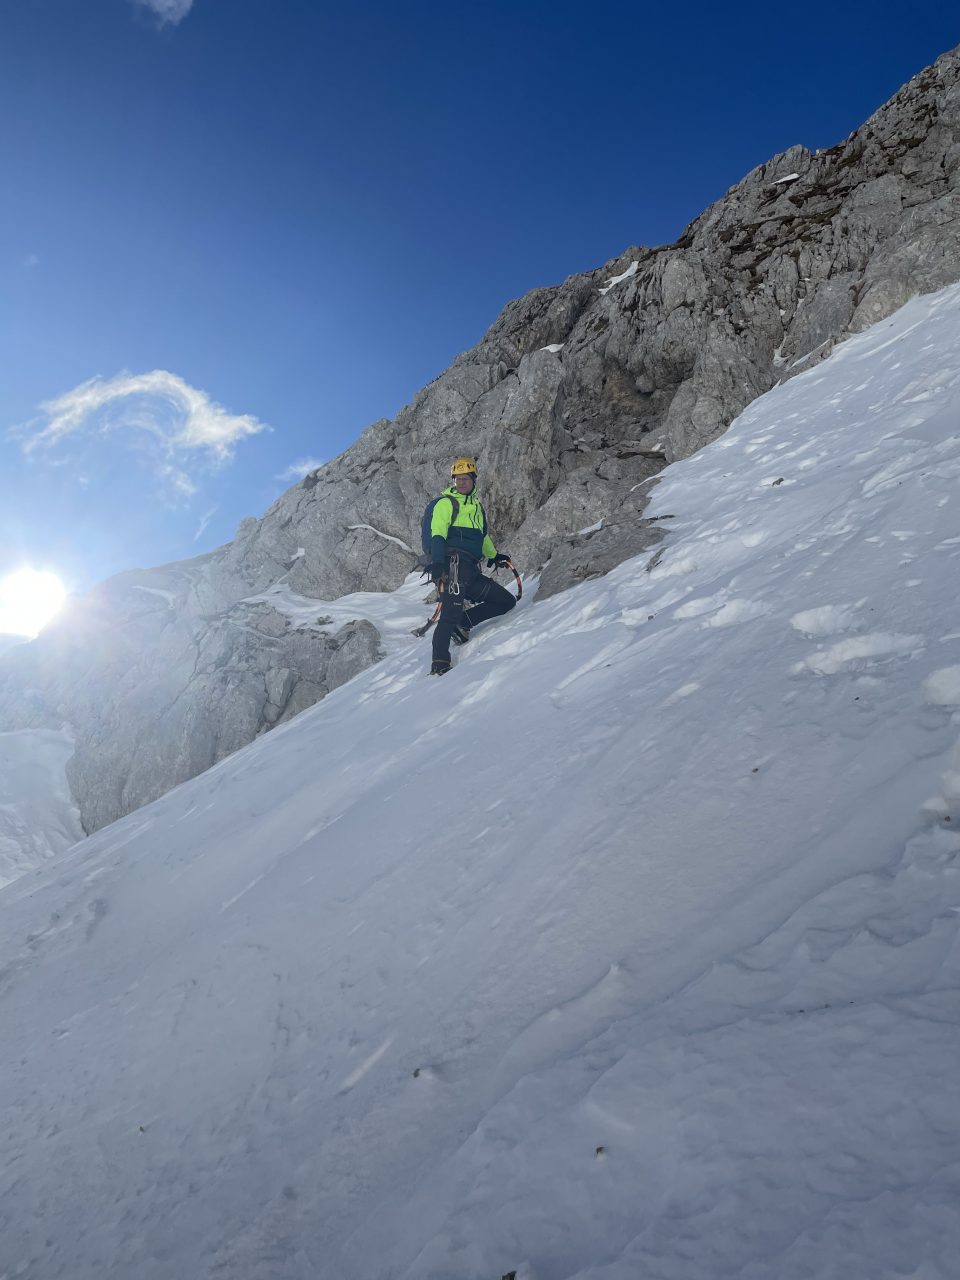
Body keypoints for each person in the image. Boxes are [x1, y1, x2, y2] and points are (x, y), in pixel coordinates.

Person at [424, 457, 515, 675]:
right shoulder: (446, 503)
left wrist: (494, 556)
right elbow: (437, 534)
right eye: (457, 479)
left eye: (465, 478)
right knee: (448, 615)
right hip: (453, 566)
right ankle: (439, 664)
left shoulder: (477, 508)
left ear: (474, 479)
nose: (461, 482)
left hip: (471, 570)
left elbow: (482, 537)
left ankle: (463, 622)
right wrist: (437, 564)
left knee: (506, 601)